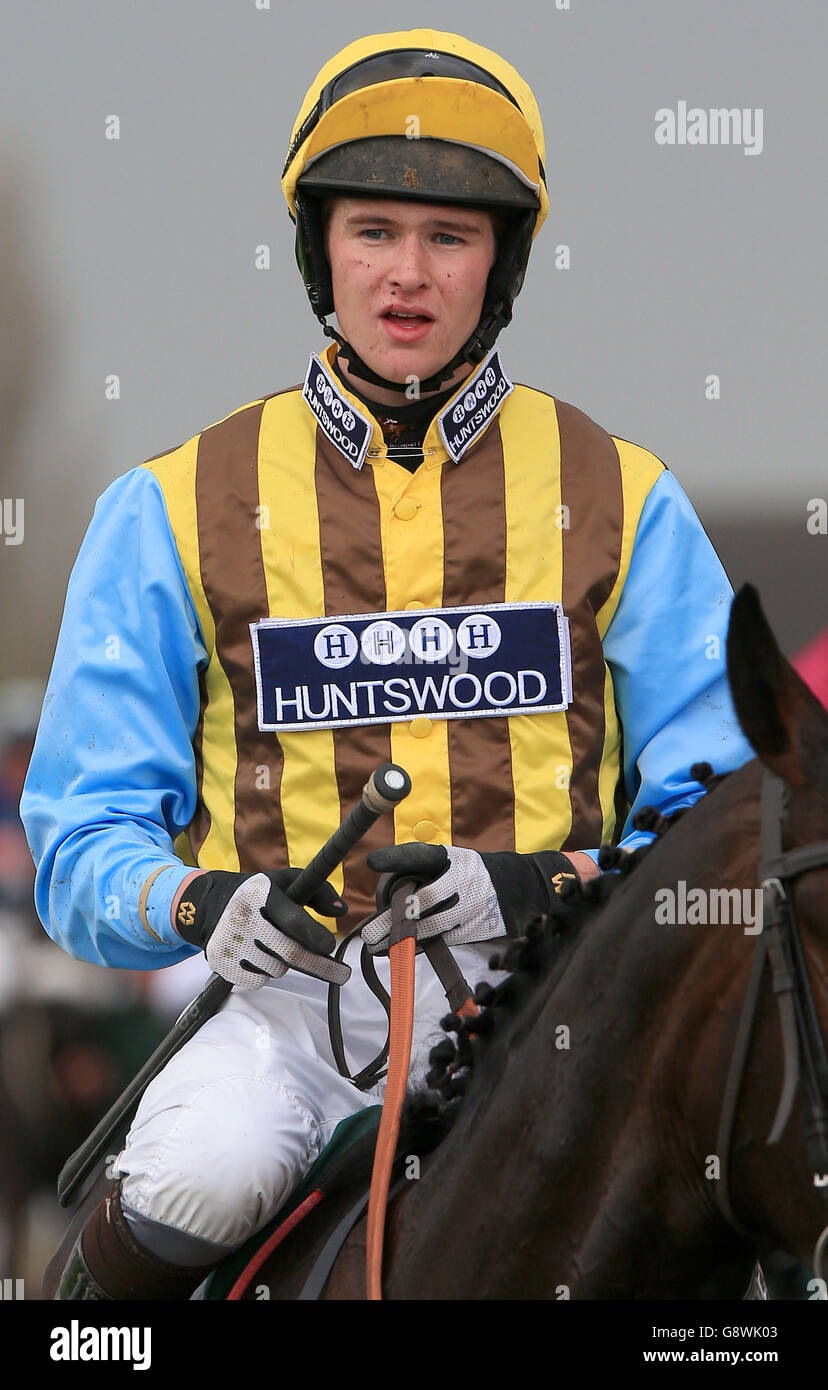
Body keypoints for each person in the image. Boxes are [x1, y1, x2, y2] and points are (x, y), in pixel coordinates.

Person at [21, 29, 755, 1300]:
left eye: (451, 237)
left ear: (501, 263)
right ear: (320, 249)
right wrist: (201, 906)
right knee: (201, 1168)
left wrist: (541, 886)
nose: (408, 275)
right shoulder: (167, 508)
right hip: (288, 1029)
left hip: (560, 1012)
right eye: (373, 231)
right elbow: (79, 843)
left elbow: (727, 822)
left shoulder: (631, 501)